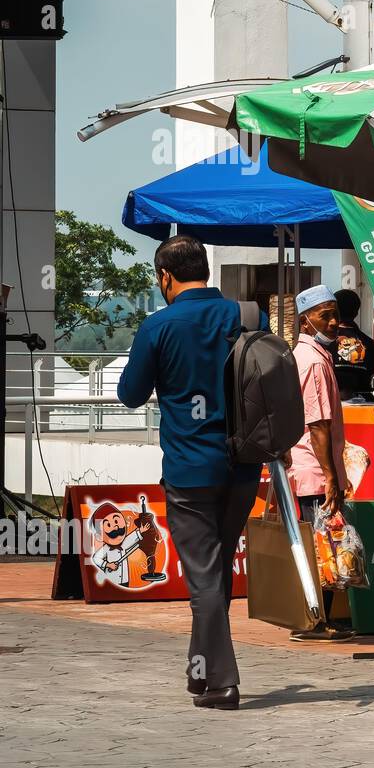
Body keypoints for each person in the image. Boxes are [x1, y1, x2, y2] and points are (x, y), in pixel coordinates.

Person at [117, 234, 261, 711]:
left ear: (165, 276)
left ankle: (222, 682)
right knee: (215, 574)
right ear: (206, 269)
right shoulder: (247, 316)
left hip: (189, 469)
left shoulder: (158, 326)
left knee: (203, 580)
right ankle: (199, 672)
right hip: (243, 466)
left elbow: (130, 395)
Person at [286, 284, 353, 642]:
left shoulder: (310, 356)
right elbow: (318, 426)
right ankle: (314, 620)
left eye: (334, 315)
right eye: (324, 316)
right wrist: (330, 476)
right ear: (305, 320)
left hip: (311, 466)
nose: (332, 322)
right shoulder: (312, 361)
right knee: (321, 545)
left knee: (320, 542)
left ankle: (318, 616)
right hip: (314, 469)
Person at [332, 287, 374, 404]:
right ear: (356, 312)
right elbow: (370, 372)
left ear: (334, 310)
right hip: (365, 403)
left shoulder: (326, 342)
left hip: (332, 403)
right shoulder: (370, 344)